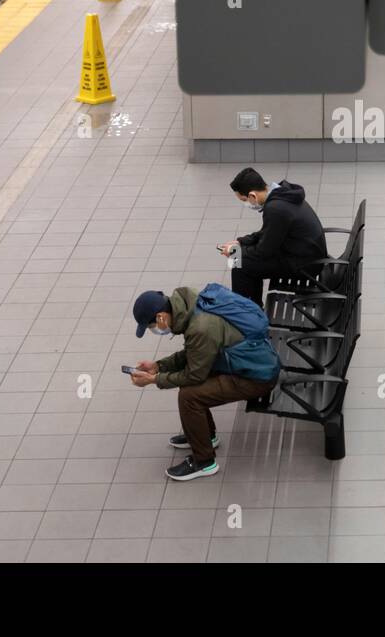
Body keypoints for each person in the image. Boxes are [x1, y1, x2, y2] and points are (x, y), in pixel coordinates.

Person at [128, 287, 275, 481]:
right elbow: (194, 353)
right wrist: (158, 366)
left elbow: (194, 375)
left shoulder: (200, 328)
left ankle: (204, 462)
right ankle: (207, 437)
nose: (154, 330)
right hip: (251, 360)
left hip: (255, 376)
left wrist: (154, 379)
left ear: (162, 317)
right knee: (190, 388)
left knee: (189, 396)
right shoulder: (192, 305)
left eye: (151, 326)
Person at [218, 167, 328, 306]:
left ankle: (247, 314)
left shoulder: (276, 209)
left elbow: (263, 252)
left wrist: (235, 252)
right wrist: (242, 242)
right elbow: (269, 232)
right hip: (305, 253)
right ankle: (253, 307)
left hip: (304, 265)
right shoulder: (283, 194)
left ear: (253, 196)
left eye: (244, 200)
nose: (246, 204)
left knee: (239, 264)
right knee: (242, 259)